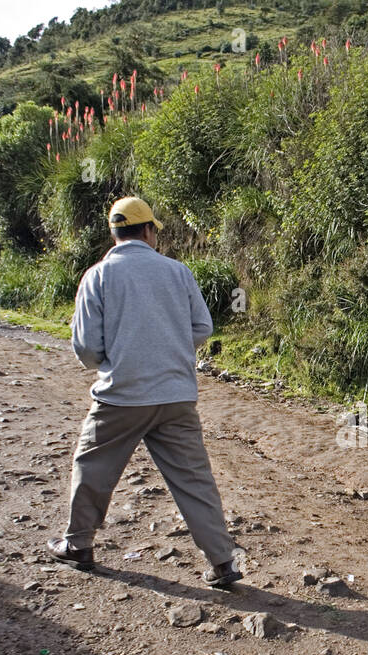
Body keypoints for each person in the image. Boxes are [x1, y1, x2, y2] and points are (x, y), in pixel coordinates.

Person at [48, 196, 244, 587]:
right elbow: (202, 329)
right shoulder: (178, 272)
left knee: (92, 466)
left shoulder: (98, 276)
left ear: (115, 233)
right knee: (194, 479)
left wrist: (118, 357)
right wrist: (168, 347)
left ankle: (78, 545)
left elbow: (86, 349)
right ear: (150, 231)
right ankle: (222, 562)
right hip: (176, 397)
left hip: (121, 396)